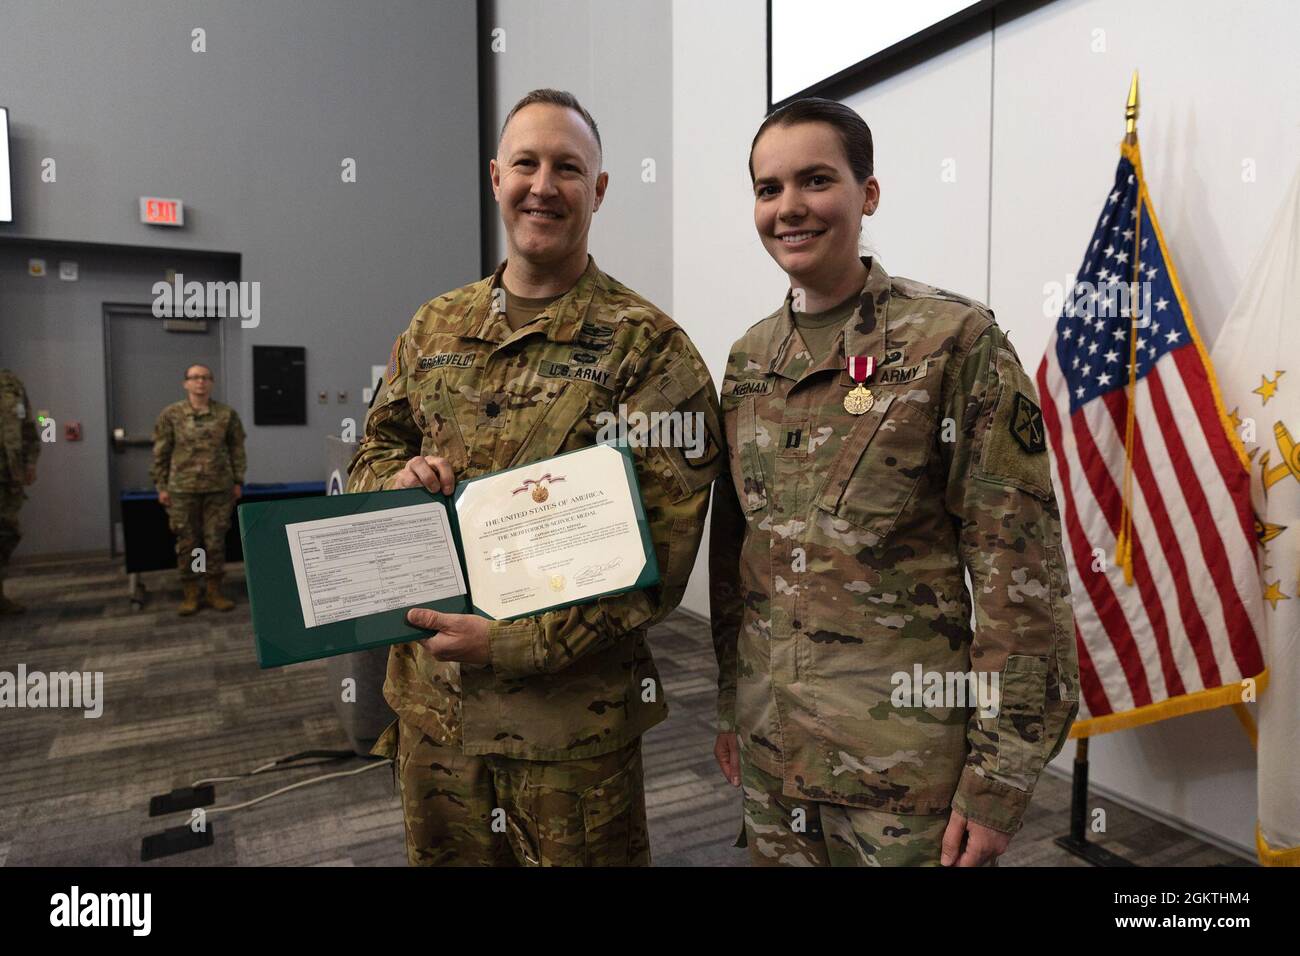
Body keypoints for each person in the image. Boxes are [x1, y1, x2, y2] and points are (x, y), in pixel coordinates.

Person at [348, 89, 722, 866]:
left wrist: (512, 645)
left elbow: (661, 562)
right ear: (495, 177)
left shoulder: (649, 350)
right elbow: (368, 457)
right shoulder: (433, 327)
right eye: (526, 163)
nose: (543, 186)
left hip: (568, 732)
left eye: (568, 168)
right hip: (433, 717)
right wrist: (395, 476)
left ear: (600, 189)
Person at [709, 98, 1079, 867]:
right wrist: (729, 707)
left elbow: (1022, 578)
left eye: (816, 180)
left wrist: (1001, 776)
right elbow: (736, 564)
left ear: (867, 193)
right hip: (776, 758)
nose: (790, 209)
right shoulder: (749, 360)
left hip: (904, 776)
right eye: (768, 189)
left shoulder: (955, 341)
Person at [151, 364, 246, 615]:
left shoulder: (227, 414)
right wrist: (161, 485)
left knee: (215, 541)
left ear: (211, 383)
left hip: (219, 489)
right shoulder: (171, 414)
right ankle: (191, 592)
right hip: (182, 490)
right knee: (188, 542)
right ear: (186, 383)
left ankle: (214, 590)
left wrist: (238, 481)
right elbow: (161, 451)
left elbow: (237, 449)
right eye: (195, 378)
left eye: (205, 378)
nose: (200, 382)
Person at [0, 368, 39, 614]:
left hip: (8, 477)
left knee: (7, 534)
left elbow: (30, 427)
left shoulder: (11, 384)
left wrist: (30, 462)